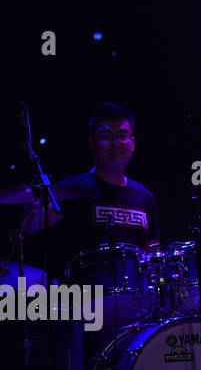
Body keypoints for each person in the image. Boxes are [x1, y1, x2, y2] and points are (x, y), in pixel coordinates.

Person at [20, 102, 162, 325]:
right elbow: (32, 228)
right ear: (92, 144)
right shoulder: (72, 190)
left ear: (133, 143)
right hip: (82, 306)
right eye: (106, 135)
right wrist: (31, 208)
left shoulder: (145, 197)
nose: (115, 142)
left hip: (137, 307)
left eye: (123, 135)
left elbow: (152, 250)